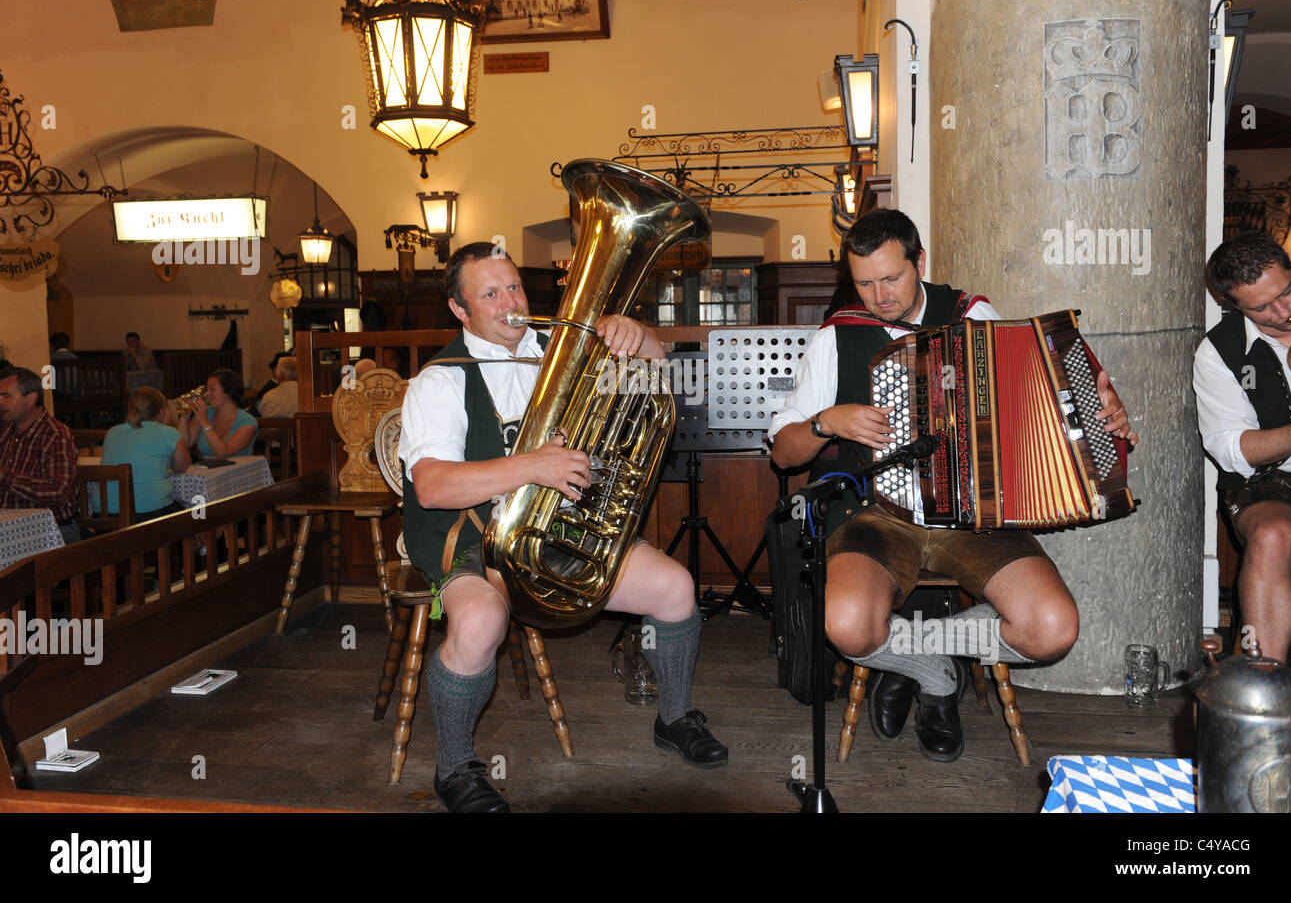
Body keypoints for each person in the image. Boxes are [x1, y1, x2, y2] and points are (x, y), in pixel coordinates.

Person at [768, 209, 1137, 761]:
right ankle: (933, 673)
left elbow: (1036, 400)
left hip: (977, 514)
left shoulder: (973, 314)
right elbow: (782, 453)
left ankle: (913, 655)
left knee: (1051, 628)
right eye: (863, 283)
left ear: (921, 262)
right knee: (846, 627)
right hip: (876, 515)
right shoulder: (838, 336)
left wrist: (1098, 410)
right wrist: (827, 422)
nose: (878, 296)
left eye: (891, 277)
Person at [399, 241, 727, 812]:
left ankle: (674, 717)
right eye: (491, 294)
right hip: (474, 536)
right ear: (460, 310)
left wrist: (636, 332)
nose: (511, 303)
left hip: (563, 529)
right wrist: (534, 465)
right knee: (478, 620)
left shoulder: (562, 348)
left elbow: (655, 370)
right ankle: (454, 767)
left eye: (515, 288)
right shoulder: (441, 380)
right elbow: (431, 487)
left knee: (675, 588)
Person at [1194, 231, 1291, 662]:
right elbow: (1232, 450)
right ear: (1236, 306)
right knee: (1272, 536)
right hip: (1270, 483)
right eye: (1261, 307)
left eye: (1288, 291)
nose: (1284, 311)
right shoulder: (1219, 351)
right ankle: (1261, 685)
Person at [0, 366, 80, 544]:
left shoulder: (55, 435)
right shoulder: (7, 431)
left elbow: (59, 491)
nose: (0, 402)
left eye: (6, 396)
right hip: (10, 527)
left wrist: (4, 476)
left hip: (50, 532)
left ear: (31, 398)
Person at [101, 387, 191, 520]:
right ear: (162, 411)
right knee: (192, 515)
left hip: (106, 515)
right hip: (150, 514)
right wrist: (165, 425)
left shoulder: (112, 432)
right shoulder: (168, 433)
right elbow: (181, 467)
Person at [179, 369, 258, 458]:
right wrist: (184, 415)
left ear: (228, 392)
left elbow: (223, 452)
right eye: (207, 390)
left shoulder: (247, 422)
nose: (207, 394)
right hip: (206, 470)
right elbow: (186, 442)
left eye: (212, 389)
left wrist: (204, 422)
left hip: (237, 470)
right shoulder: (207, 412)